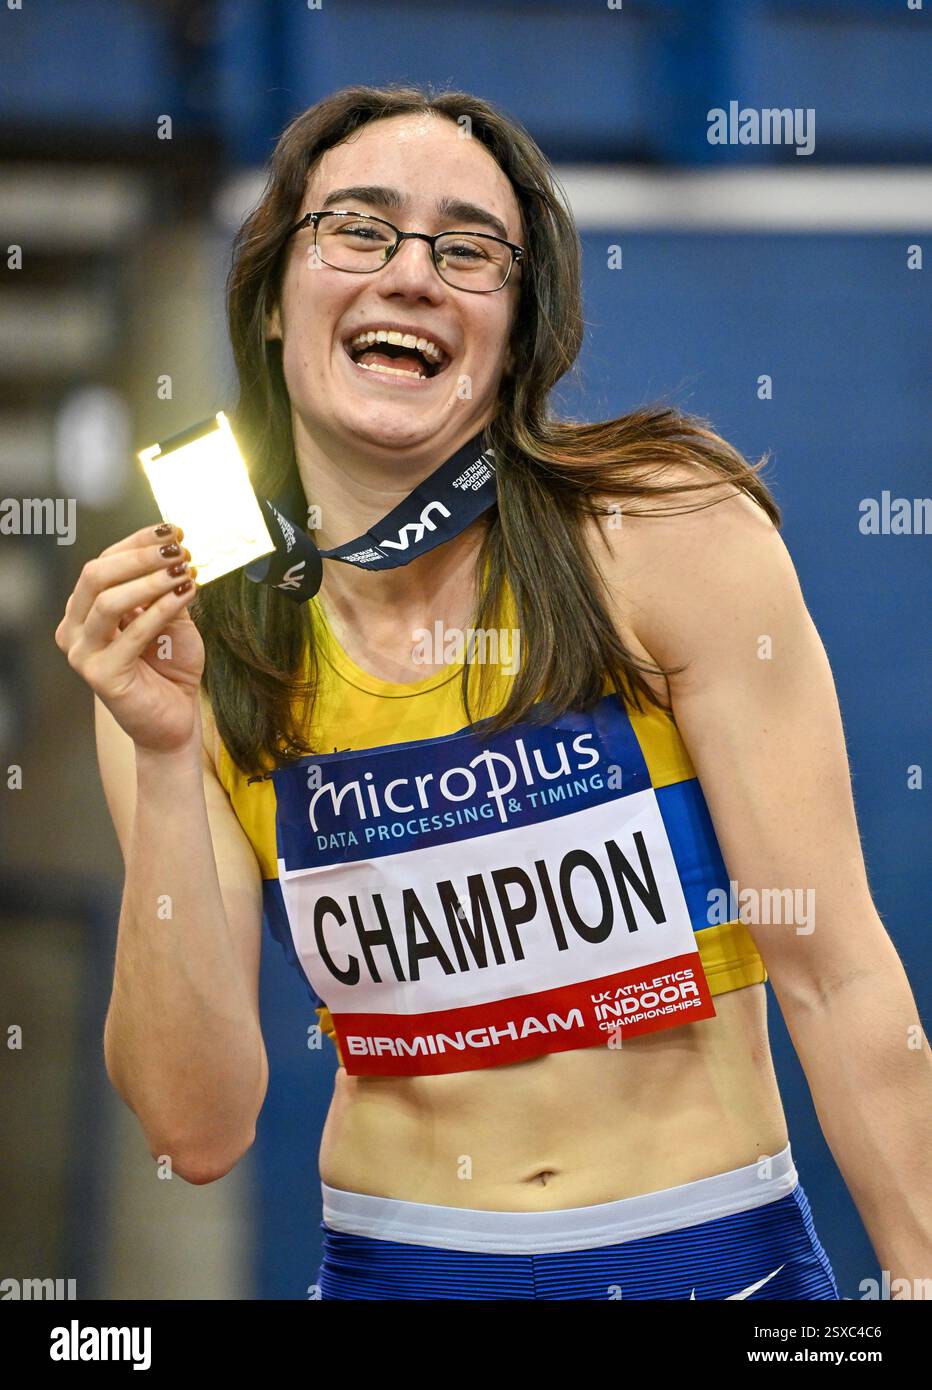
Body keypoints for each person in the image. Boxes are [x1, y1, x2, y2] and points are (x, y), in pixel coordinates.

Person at [55, 84, 931, 1301]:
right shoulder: (191, 612)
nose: (409, 273)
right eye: (357, 230)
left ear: (515, 330)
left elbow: (834, 971)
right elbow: (195, 1132)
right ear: (270, 300)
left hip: (711, 1259)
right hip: (397, 1268)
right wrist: (159, 753)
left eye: (467, 251)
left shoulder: (659, 529)